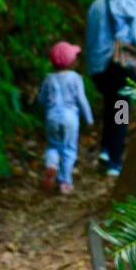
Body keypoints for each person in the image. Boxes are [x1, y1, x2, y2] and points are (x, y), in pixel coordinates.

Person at [84, 0, 136, 176]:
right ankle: (115, 161)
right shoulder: (131, 4)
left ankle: (105, 149)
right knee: (122, 111)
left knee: (110, 105)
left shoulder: (96, 5)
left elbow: (90, 37)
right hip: (121, 66)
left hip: (99, 68)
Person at [37, 41, 93, 194]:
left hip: (52, 117)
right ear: (72, 61)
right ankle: (65, 182)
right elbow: (82, 100)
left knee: (53, 146)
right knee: (68, 150)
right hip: (70, 119)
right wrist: (89, 119)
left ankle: (51, 165)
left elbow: (41, 99)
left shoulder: (48, 78)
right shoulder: (76, 78)